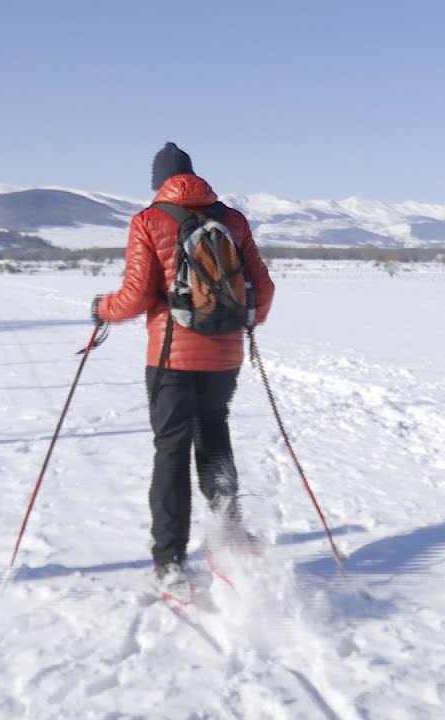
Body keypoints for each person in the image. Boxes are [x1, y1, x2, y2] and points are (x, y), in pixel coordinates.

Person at [91, 142, 275, 593]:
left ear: (158, 182)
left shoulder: (149, 220)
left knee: (171, 451)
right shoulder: (232, 220)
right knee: (214, 436)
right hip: (225, 356)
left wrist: (102, 308)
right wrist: (243, 322)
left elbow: (136, 296)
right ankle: (229, 535)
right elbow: (263, 288)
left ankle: (170, 561)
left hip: (171, 356)